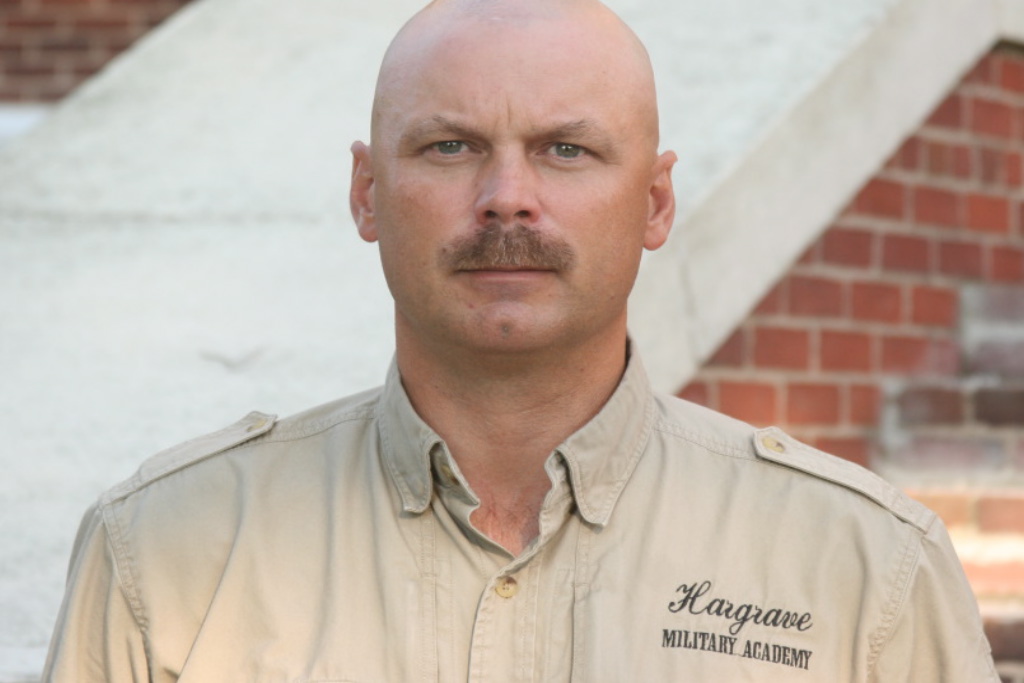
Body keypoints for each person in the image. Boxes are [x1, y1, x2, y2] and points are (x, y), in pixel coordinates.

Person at [44, 0, 997, 680]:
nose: (507, 196)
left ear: (655, 201)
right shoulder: (165, 555)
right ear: (367, 193)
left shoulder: (865, 568)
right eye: (450, 146)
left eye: (565, 149)